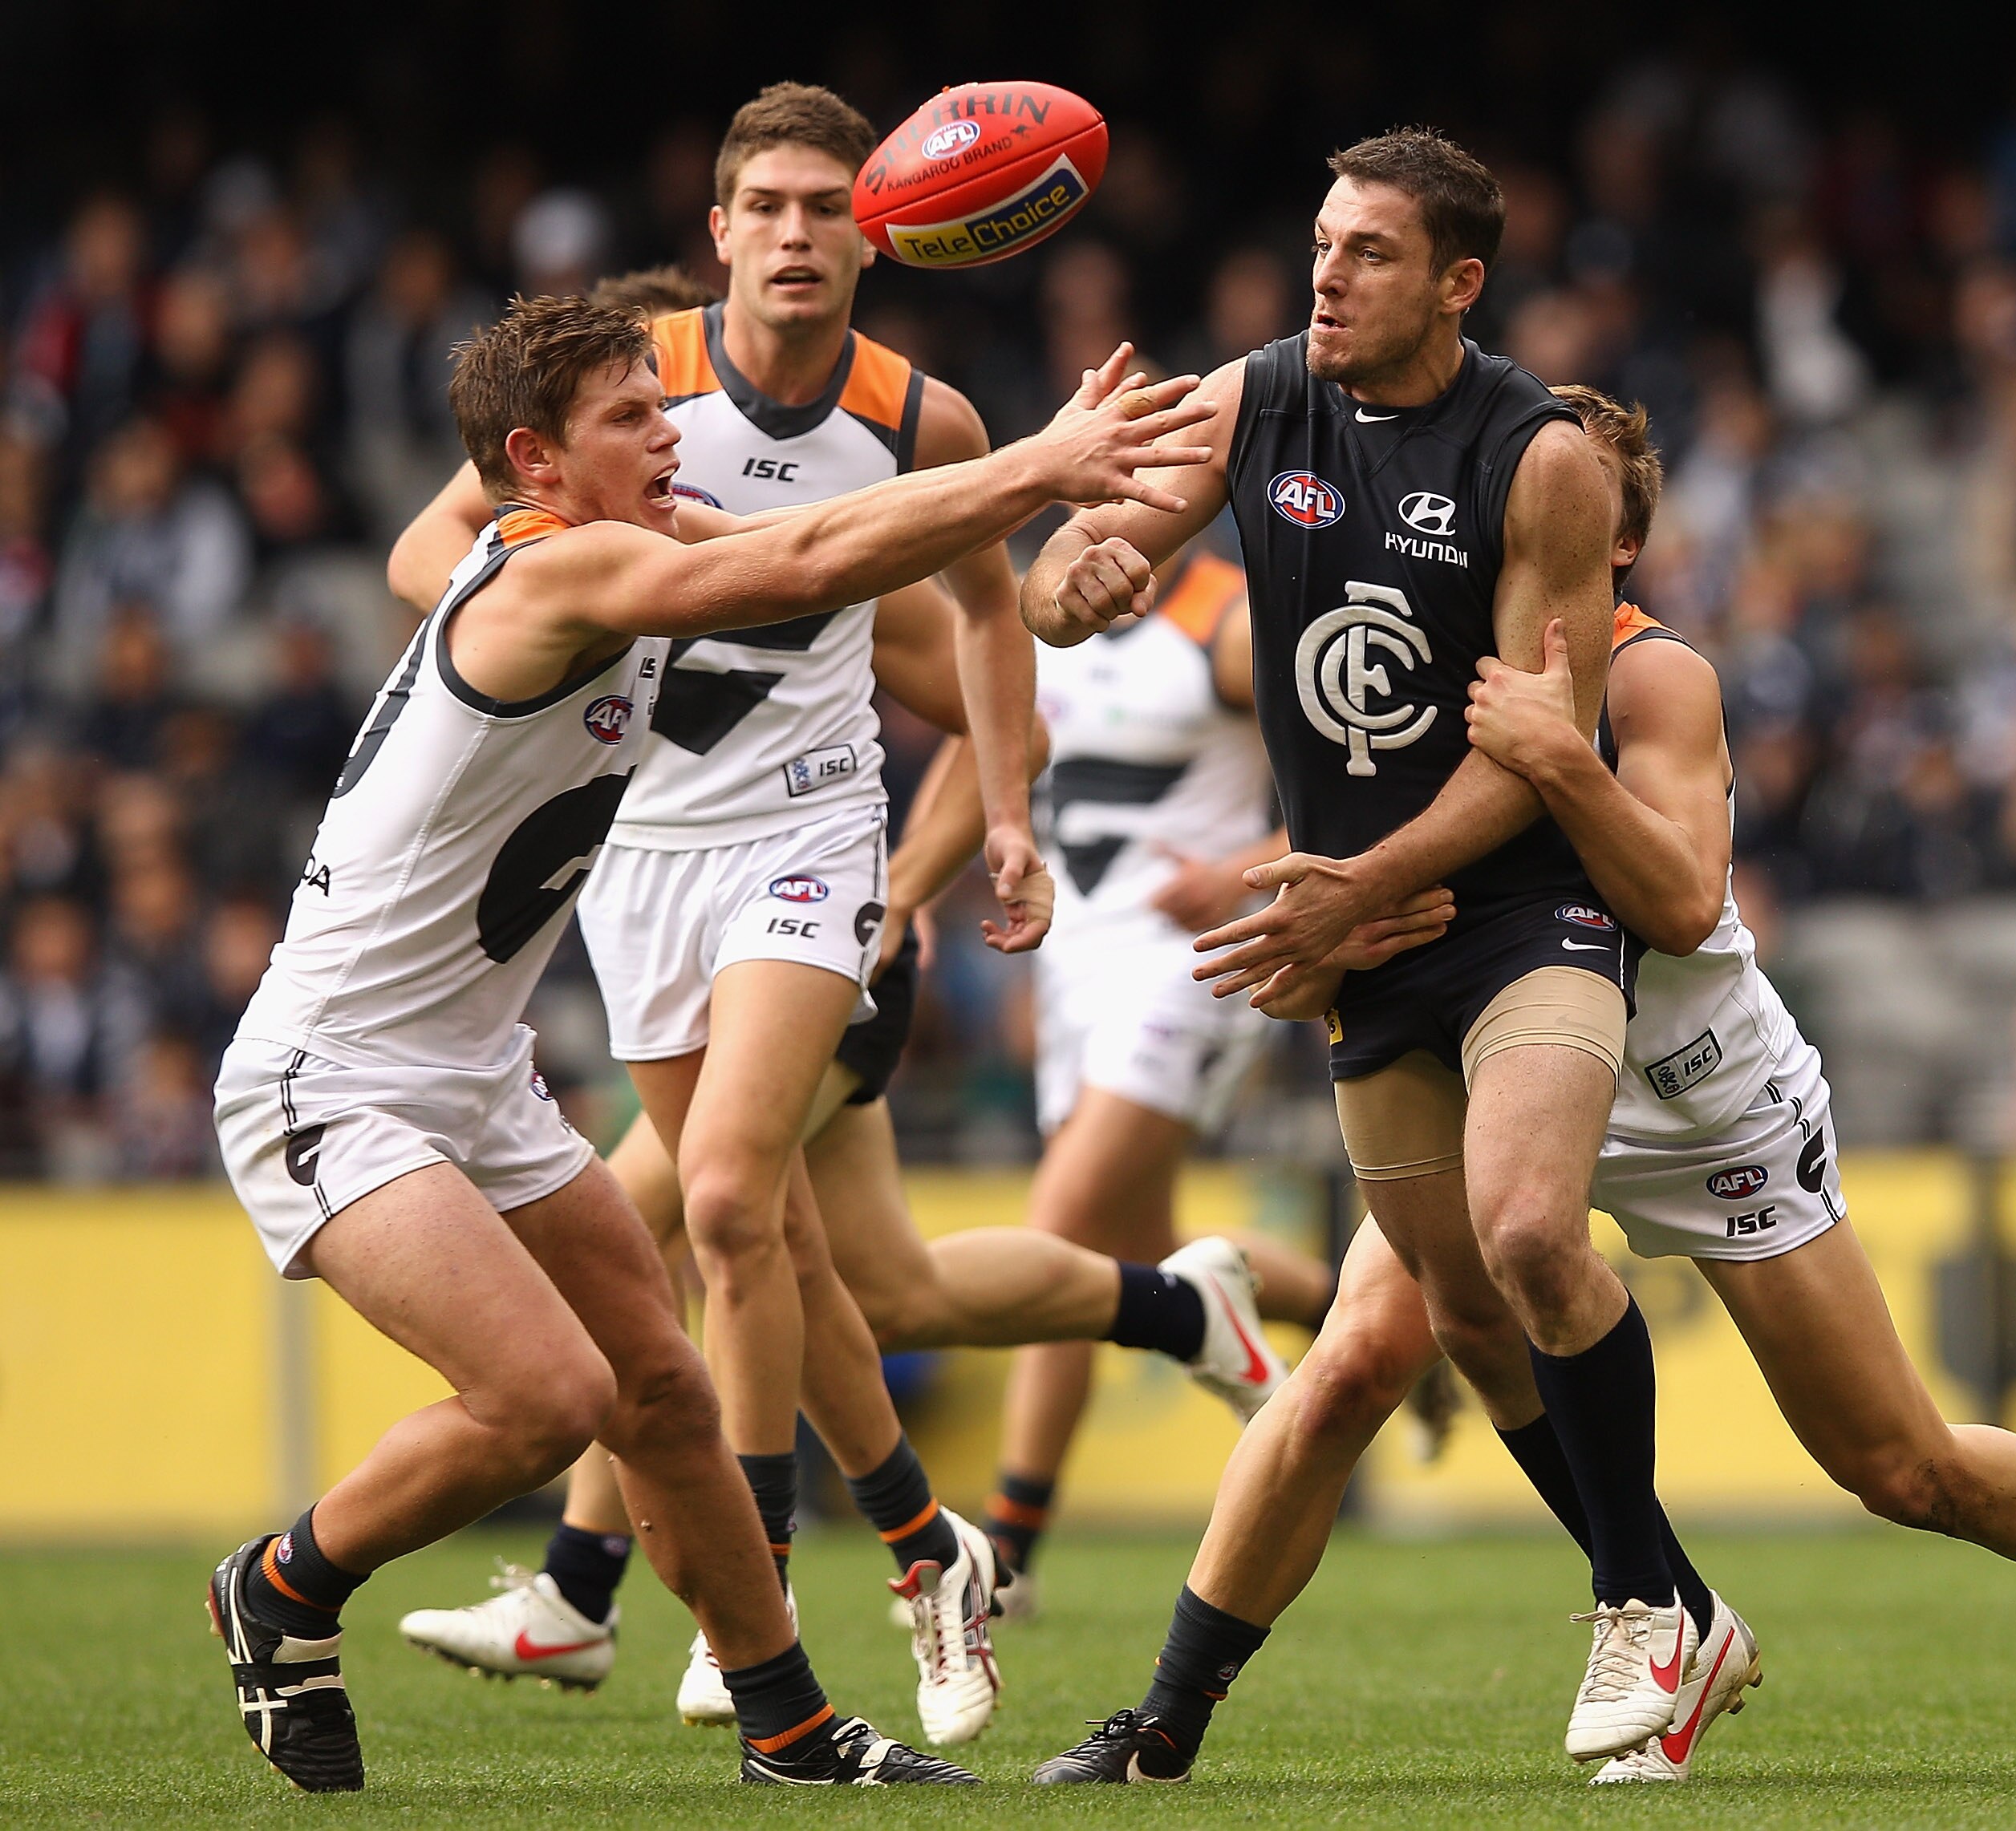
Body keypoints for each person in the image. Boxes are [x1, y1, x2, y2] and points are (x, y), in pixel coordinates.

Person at [1032, 386, 2016, 1788]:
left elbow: (1685, 904)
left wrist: (1561, 761)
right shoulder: (1422, 666)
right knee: (1345, 1374)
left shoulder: (1655, 676)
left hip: (1694, 1093)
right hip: (1511, 1074)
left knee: (1899, 1467)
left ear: (1610, 548)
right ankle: (1168, 1724)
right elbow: (1372, 897)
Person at [204, 291, 1212, 1793]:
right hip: (331, 1070)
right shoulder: (554, 573)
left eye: (662, 406)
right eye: (630, 418)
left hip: (474, 1077)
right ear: (536, 463)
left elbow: (888, 605)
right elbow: (802, 550)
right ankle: (282, 1586)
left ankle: (792, 1733)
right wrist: (1040, 463)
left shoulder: (641, 553)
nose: (672, 433)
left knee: (665, 1386)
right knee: (552, 1402)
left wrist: (1058, 601)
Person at [1022, 127, 1701, 1765]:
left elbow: (1533, 744)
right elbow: (1066, 576)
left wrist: (1347, 881)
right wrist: (1078, 574)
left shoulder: (1541, 458)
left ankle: (1646, 1609)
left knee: (1531, 1233)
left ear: (1459, 282)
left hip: (1528, 908)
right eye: (1323, 244)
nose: (1328, 274)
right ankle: (1667, 1589)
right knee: (1463, 1314)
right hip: (1362, 929)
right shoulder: (1262, 398)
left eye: (1371, 252)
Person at [982, 530, 1338, 1609]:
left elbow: (1360, 763)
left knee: (1062, 1231)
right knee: (1145, 1256)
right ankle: (1360, 1313)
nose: (1107, 511)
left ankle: (1004, 1558)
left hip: (1192, 959)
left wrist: (1241, 868)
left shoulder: (1231, 622)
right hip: (1077, 959)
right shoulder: (1043, 613)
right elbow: (1009, 768)